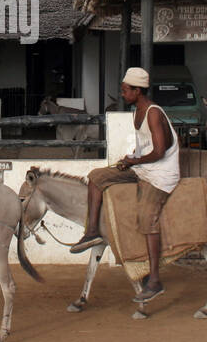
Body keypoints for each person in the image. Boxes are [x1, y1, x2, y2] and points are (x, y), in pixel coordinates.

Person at [71, 67, 180, 303]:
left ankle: (155, 281)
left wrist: (135, 161)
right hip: (143, 169)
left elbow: (160, 152)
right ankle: (91, 232)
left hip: (160, 175)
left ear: (137, 91)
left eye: (125, 90)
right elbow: (146, 147)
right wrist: (130, 160)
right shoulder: (137, 112)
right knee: (96, 177)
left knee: (146, 217)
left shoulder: (152, 113)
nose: (122, 94)